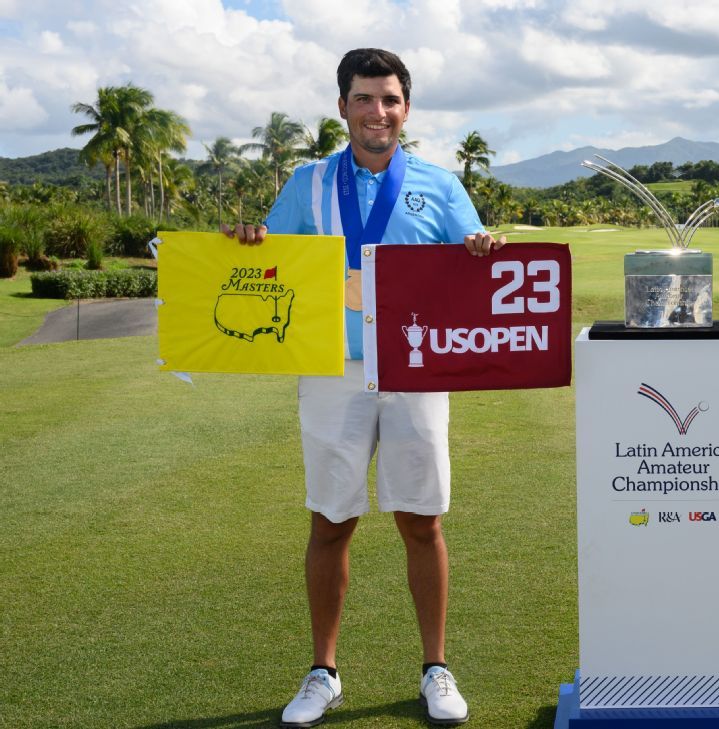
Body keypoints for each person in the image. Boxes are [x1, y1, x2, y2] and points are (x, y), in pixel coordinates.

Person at [224, 48, 504, 728]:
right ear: (343, 106)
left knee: (422, 520)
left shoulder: (438, 184)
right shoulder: (308, 182)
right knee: (331, 519)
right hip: (332, 369)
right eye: (364, 98)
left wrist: (482, 250)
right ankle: (323, 671)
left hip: (414, 366)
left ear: (405, 108)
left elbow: (474, 262)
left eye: (389, 99)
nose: (377, 111)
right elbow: (270, 259)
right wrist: (248, 242)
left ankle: (436, 667)